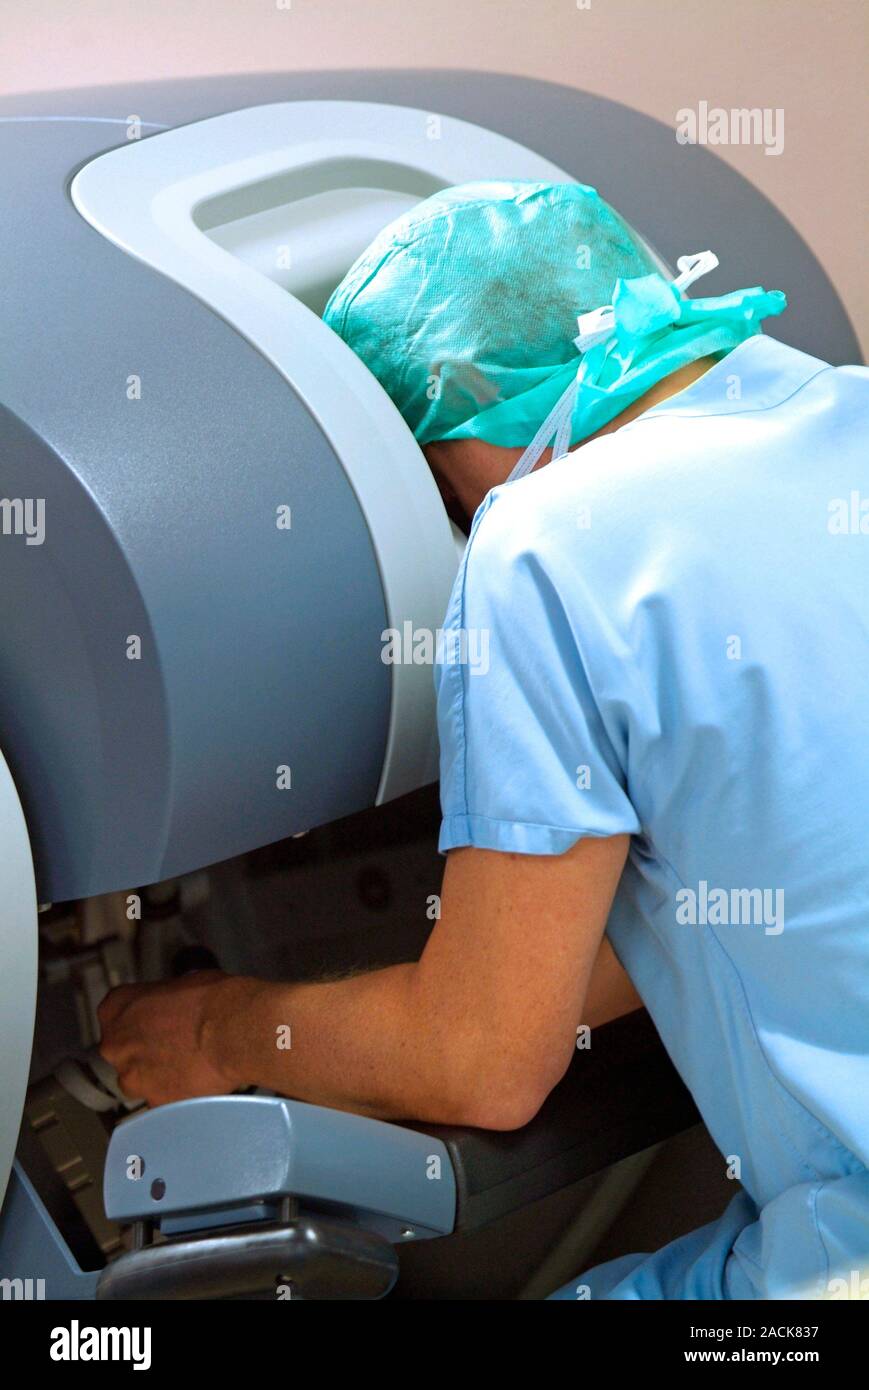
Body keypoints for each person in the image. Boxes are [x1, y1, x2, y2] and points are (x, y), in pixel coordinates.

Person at [98, 182, 869, 1300]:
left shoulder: (548, 541)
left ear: (462, 408)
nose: (454, 515)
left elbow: (484, 1066)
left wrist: (218, 1033)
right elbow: (772, 886)